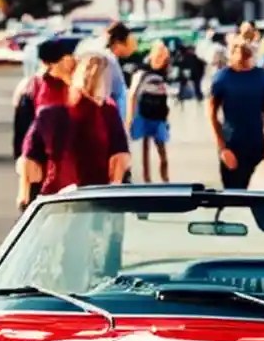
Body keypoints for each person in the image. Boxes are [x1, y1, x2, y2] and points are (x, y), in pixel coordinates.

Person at [18, 54, 131, 210]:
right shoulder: (108, 113)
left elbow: (30, 158)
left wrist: (24, 194)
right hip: (96, 198)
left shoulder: (49, 114)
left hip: (56, 198)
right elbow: (120, 158)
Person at [207, 38, 264, 189]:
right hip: (232, 144)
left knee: (256, 195)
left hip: (257, 145)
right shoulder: (223, 78)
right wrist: (223, 148)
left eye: (246, 55)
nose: (242, 60)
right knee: (233, 195)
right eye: (238, 55)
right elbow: (211, 113)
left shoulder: (261, 77)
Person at [13, 38, 76, 162]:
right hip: (47, 152)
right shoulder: (39, 87)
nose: (73, 61)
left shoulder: (33, 84)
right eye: (68, 58)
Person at [127, 41, 172, 182]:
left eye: (163, 57)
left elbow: (165, 95)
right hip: (144, 114)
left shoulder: (164, 72)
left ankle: (166, 180)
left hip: (159, 115)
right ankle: (147, 180)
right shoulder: (142, 71)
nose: (161, 60)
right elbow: (132, 94)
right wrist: (130, 118)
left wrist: (167, 116)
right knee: (144, 149)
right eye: (158, 56)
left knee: (162, 152)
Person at [100, 22, 136, 123]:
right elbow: (119, 93)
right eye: (128, 43)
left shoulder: (107, 57)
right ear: (118, 43)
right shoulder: (109, 60)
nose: (132, 49)